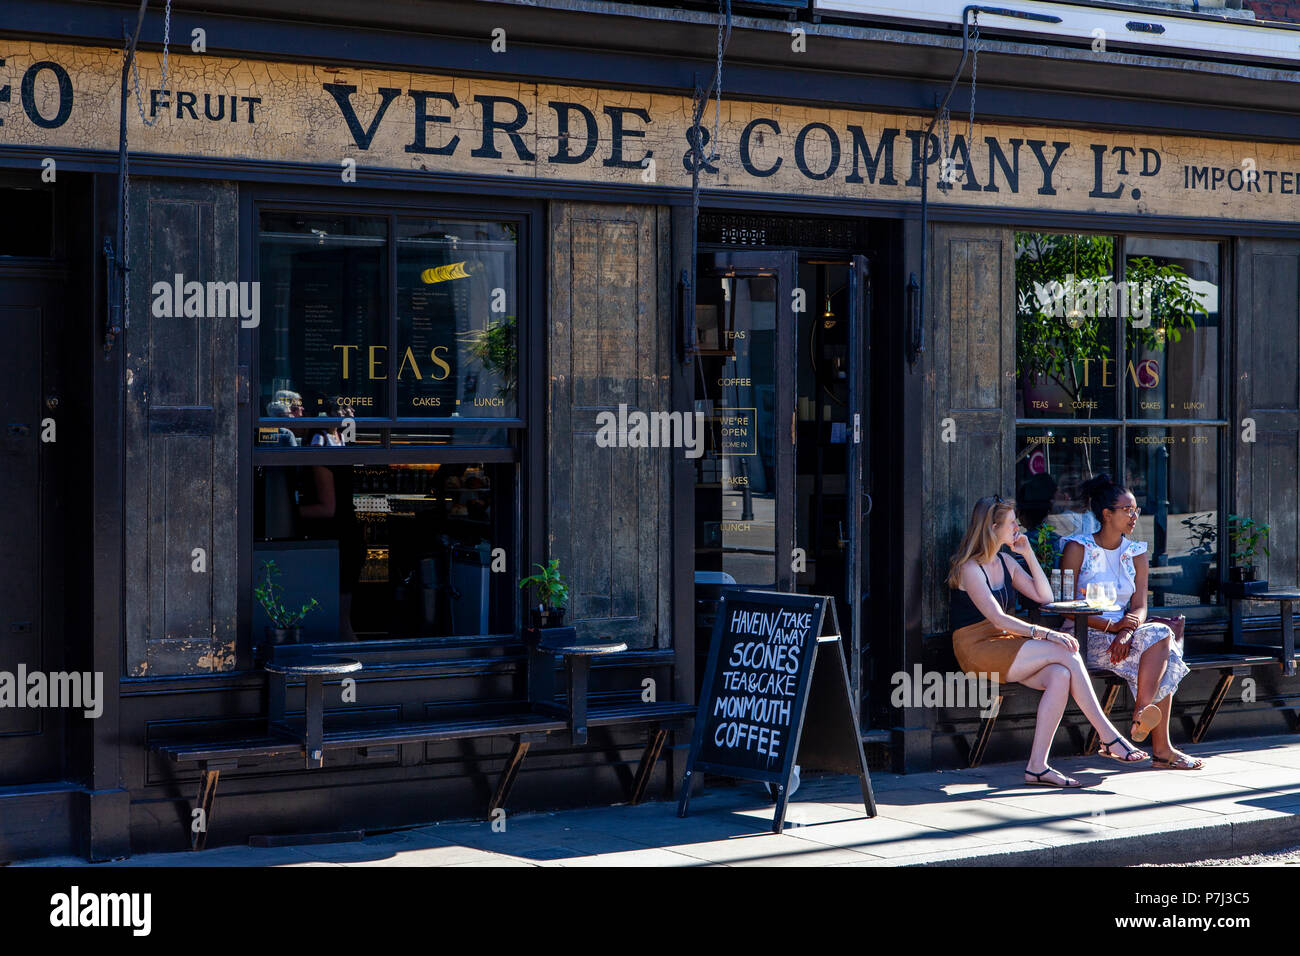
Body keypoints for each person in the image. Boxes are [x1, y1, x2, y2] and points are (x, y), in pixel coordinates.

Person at [949, 495, 1148, 788]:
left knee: (1060, 674)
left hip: (1007, 643)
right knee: (1064, 649)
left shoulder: (1005, 560)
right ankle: (1108, 735)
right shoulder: (970, 568)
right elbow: (998, 619)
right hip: (977, 648)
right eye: (1012, 523)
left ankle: (1037, 767)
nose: (1018, 527)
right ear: (992, 528)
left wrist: (1028, 554)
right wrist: (1048, 633)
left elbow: (1046, 597)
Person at [1059, 475, 1201, 770]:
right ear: (1106, 514)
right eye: (1127, 510)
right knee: (1166, 651)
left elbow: (1140, 606)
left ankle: (1142, 712)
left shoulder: (1136, 553)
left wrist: (1125, 631)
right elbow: (1065, 607)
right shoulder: (1077, 548)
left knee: (1162, 639)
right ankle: (1161, 747)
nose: (1134, 516)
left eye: (1136, 510)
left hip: (1125, 634)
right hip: (1085, 635)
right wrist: (1116, 630)